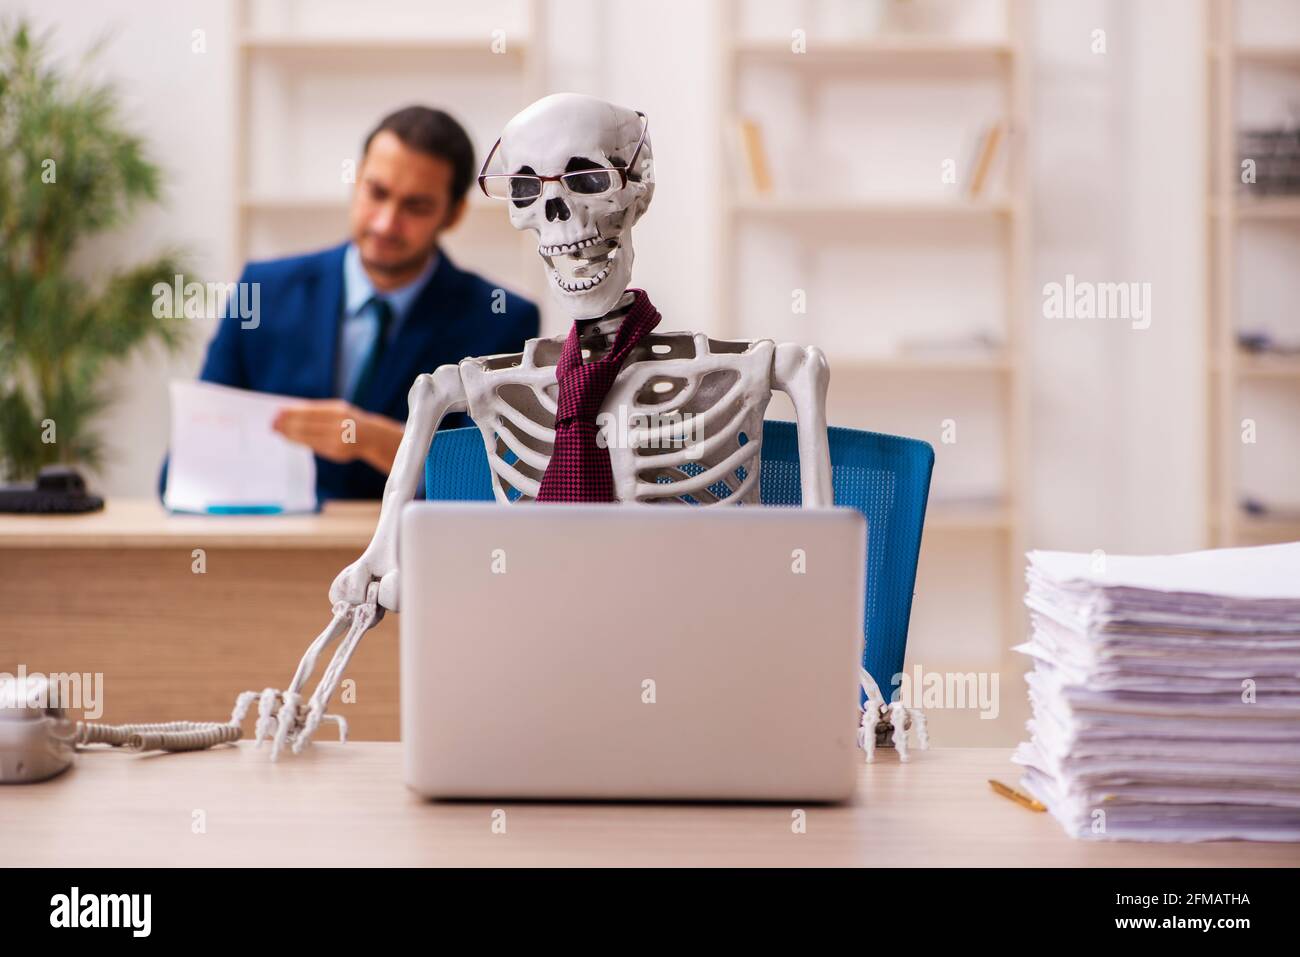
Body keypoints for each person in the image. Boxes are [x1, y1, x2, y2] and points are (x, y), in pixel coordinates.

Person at [163, 105, 539, 500]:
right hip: (271, 549)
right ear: (355, 181)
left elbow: (496, 488)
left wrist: (373, 440)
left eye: (416, 206)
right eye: (376, 193)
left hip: (417, 554)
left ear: (454, 214)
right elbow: (185, 470)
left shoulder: (502, 321)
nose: (385, 223)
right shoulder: (263, 292)